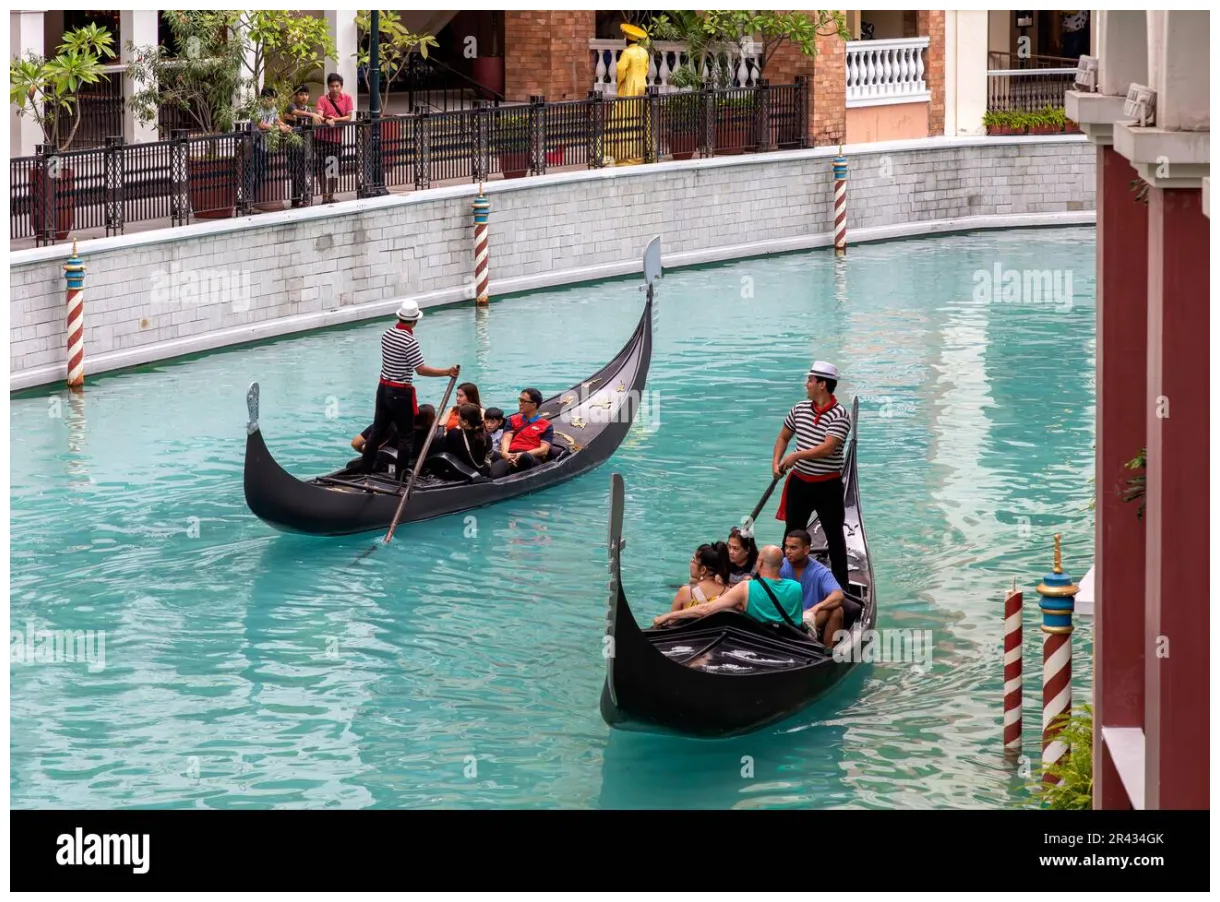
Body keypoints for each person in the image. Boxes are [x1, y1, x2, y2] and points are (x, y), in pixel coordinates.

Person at [772, 360, 852, 592]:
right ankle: (783, 581)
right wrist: (776, 462)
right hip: (800, 484)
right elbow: (783, 437)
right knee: (791, 533)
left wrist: (796, 456)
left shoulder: (840, 415)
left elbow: (827, 449)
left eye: (810, 380)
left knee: (834, 536)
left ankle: (841, 587)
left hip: (828, 486)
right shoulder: (799, 409)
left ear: (822, 385)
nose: (806, 384)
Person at [360, 301, 459, 478]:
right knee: (406, 436)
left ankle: (365, 470)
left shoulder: (386, 334)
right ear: (414, 321)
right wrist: (447, 372)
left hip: (383, 388)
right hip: (400, 393)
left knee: (377, 431)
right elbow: (421, 370)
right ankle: (401, 477)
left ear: (399, 316)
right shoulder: (410, 342)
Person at [652, 545, 804, 630]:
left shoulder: (745, 587)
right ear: (782, 565)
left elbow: (706, 610)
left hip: (759, 640)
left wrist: (667, 616)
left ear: (760, 563)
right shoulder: (797, 587)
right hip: (791, 640)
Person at [779, 529, 856, 645]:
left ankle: (828, 652)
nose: (788, 551)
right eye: (786, 547)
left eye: (793, 548)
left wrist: (815, 609)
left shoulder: (821, 572)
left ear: (806, 550)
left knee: (837, 611)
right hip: (782, 618)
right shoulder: (778, 565)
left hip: (810, 620)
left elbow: (839, 596)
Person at [489, 388, 553, 478]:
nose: (520, 403)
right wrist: (505, 453)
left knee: (526, 457)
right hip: (511, 455)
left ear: (533, 405)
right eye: (520, 400)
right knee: (492, 460)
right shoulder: (512, 420)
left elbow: (544, 450)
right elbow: (506, 439)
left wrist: (522, 454)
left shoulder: (546, 425)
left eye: (523, 401)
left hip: (530, 456)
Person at [314, 73, 354, 203]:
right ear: (328, 87)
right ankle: (324, 196)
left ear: (341, 86)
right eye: (332, 86)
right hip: (321, 138)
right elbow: (319, 115)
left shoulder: (347, 98)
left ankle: (331, 195)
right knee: (321, 167)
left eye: (337, 86)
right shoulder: (322, 99)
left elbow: (349, 117)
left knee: (334, 167)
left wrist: (335, 119)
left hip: (336, 139)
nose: (334, 89)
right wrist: (326, 119)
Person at [669, 542, 731, 612]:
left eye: (693, 560)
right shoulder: (729, 593)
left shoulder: (686, 592)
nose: (690, 562)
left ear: (703, 569)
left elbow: (672, 621)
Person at [439, 403, 491, 473]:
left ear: (465, 422)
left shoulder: (454, 433)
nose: (457, 417)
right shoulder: (486, 435)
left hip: (461, 473)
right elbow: (490, 454)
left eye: (459, 416)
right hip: (480, 470)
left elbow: (446, 451)